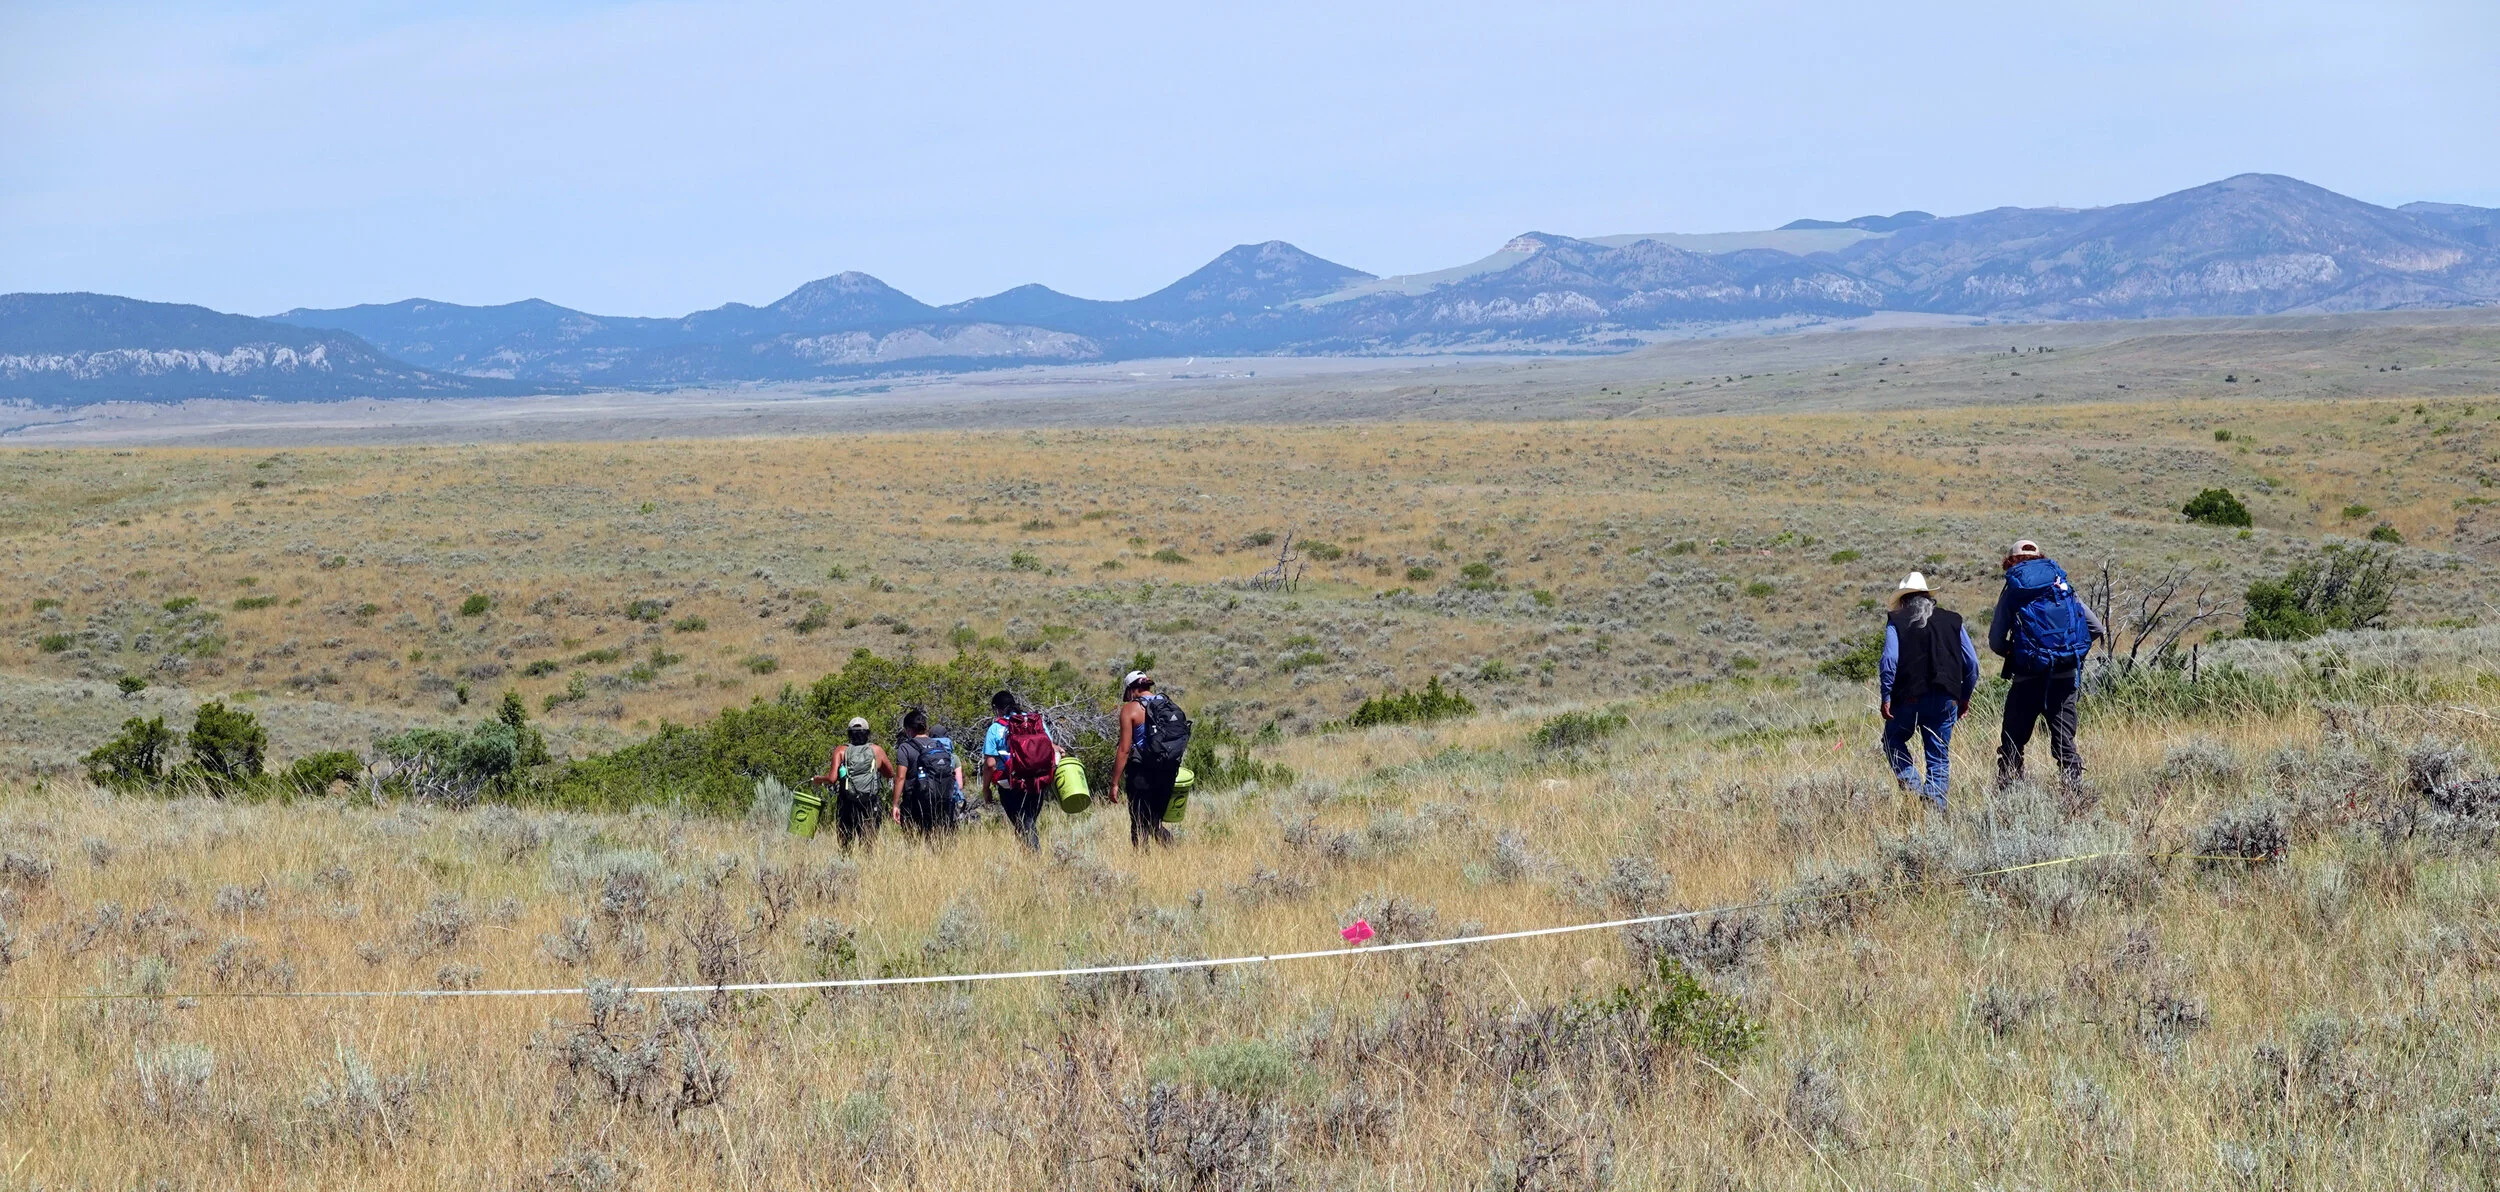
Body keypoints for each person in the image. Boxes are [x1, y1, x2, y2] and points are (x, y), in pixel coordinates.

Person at [1988, 538, 2107, 790]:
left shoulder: (2013, 591)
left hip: (2027, 678)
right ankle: (2073, 798)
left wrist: (2019, 652)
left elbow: (1995, 641)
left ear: (2011, 562)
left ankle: (2010, 797)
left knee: (2012, 742)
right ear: (2041, 558)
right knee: (2065, 744)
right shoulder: (2060, 585)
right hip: (2065, 677)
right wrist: (2068, 651)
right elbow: (2095, 627)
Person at [1877, 572, 1979, 811]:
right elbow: (1972, 663)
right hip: (1946, 697)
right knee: (1938, 756)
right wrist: (1964, 696)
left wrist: (1886, 695)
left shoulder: (1896, 620)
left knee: (1893, 740)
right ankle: (1933, 809)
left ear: (1904, 601)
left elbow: (1889, 659)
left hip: (1908, 697)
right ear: (1927, 597)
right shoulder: (1953, 620)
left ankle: (1912, 787)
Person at [1108, 670, 1189, 848]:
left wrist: (1114, 783)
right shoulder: (1167, 703)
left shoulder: (1130, 709)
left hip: (1141, 773)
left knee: (1138, 823)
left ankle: (1140, 865)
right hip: (1167, 772)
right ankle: (1175, 853)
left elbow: (1124, 749)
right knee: (1154, 823)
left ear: (1131, 689)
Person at [809, 716, 895, 853]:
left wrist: (818, 779)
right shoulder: (877, 750)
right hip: (869, 803)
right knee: (868, 847)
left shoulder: (841, 751)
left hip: (846, 803)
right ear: (867, 733)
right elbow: (890, 773)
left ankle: (845, 867)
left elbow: (832, 779)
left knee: (844, 846)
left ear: (849, 734)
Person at [982, 689, 1049, 850]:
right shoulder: (1033, 722)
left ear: (996, 708)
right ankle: (1028, 859)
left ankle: (1034, 857)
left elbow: (990, 764)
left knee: (1023, 822)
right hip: (1037, 780)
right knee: (1028, 820)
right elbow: (1050, 746)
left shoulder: (995, 729)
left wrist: (986, 789)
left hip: (1009, 783)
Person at [891, 708, 962, 839]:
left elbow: (900, 778)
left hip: (914, 799)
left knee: (915, 838)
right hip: (939, 797)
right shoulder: (939, 745)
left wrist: (895, 804)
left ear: (908, 729)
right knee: (937, 838)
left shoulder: (905, 747)